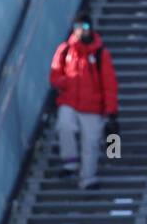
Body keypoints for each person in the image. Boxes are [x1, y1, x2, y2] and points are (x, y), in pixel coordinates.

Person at [49, 12, 119, 191]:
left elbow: (109, 84)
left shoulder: (101, 54)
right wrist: (67, 81)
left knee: (91, 143)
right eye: (77, 28)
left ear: (91, 28)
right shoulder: (65, 50)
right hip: (70, 101)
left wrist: (111, 111)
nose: (81, 32)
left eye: (85, 27)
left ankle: (88, 179)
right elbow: (55, 75)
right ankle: (70, 163)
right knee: (65, 125)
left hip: (93, 107)